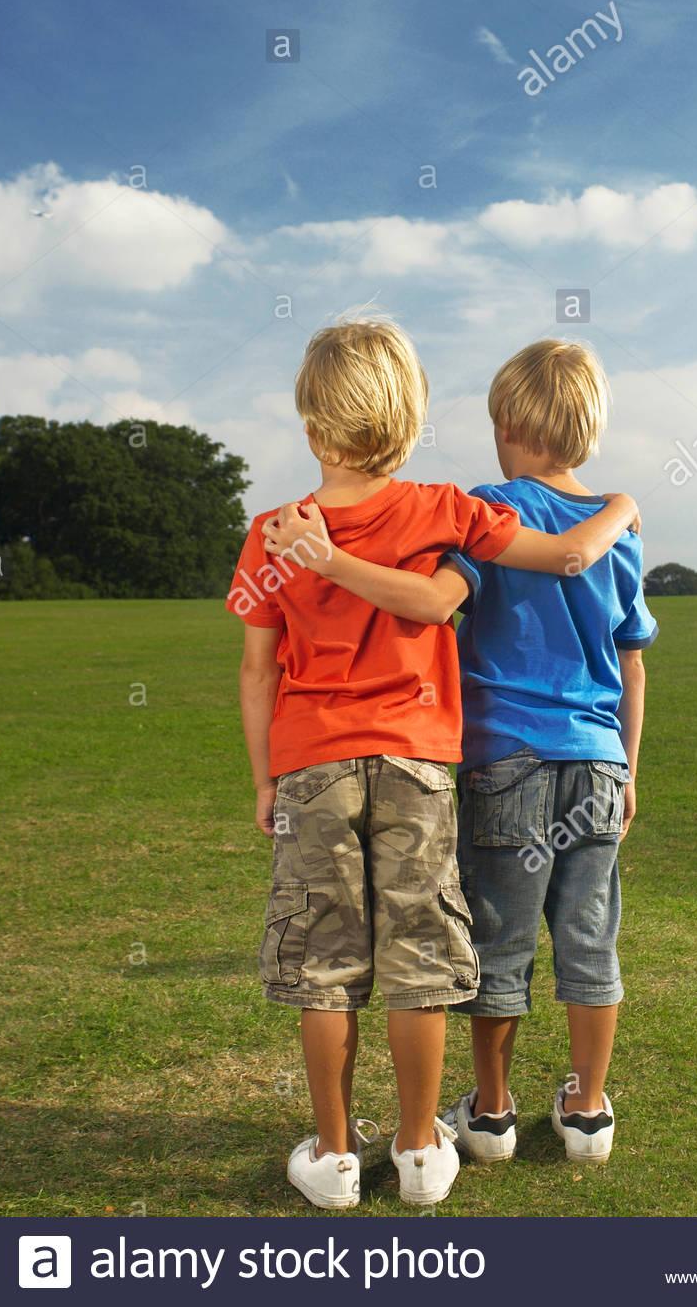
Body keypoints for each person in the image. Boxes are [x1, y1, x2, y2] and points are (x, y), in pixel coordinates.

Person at [228, 318, 640, 1208]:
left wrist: (265, 780)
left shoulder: (271, 533)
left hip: (311, 767)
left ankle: (336, 1158)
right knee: (423, 952)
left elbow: (258, 669)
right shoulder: (444, 509)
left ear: (308, 423)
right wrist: (624, 506)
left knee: (326, 963)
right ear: (412, 420)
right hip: (419, 764)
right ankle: (421, 1149)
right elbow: (563, 556)